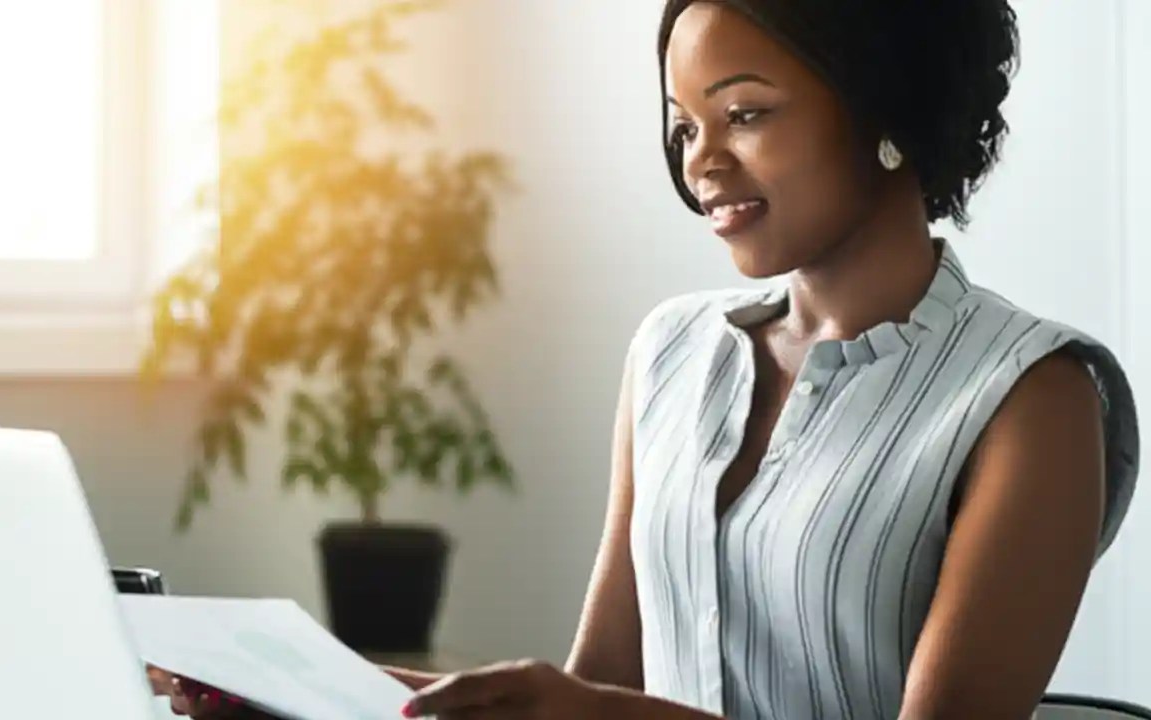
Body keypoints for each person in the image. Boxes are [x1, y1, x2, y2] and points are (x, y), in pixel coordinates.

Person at [152, 0, 1140, 718]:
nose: (698, 161)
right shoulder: (675, 350)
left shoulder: (1030, 398)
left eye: (743, 113)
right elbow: (599, 684)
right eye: (682, 126)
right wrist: (324, 695)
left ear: (884, 107)